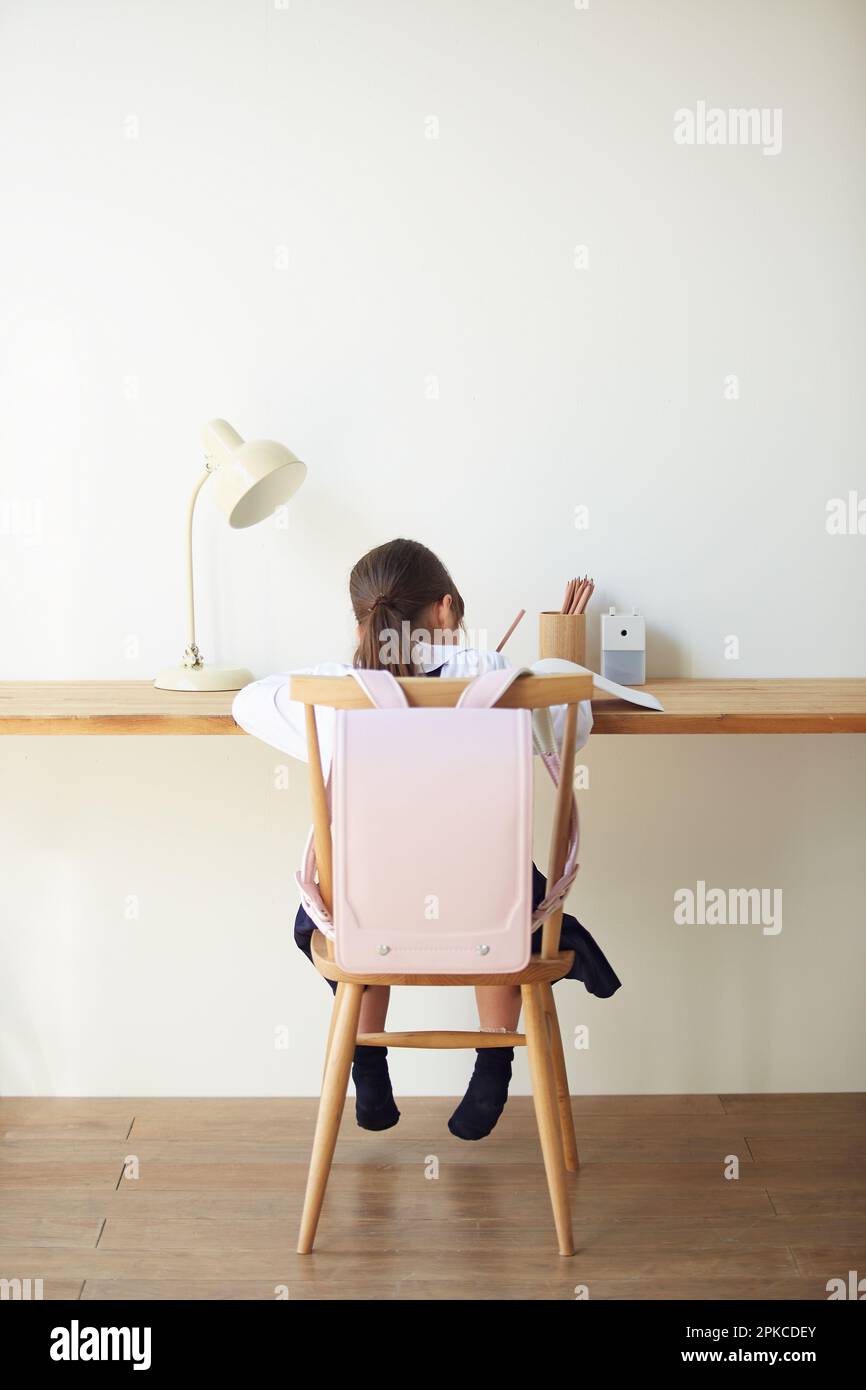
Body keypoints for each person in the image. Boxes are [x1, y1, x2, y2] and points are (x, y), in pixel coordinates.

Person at [233, 538, 620, 1141]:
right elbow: (579, 726)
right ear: (445, 612)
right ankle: (494, 1066)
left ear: (364, 618)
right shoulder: (496, 674)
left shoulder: (334, 692)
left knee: (362, 892)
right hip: (491, 916)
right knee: (500, 884)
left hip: (370, 914)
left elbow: (246, 701)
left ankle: (368, 1063)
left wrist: (329, 682)